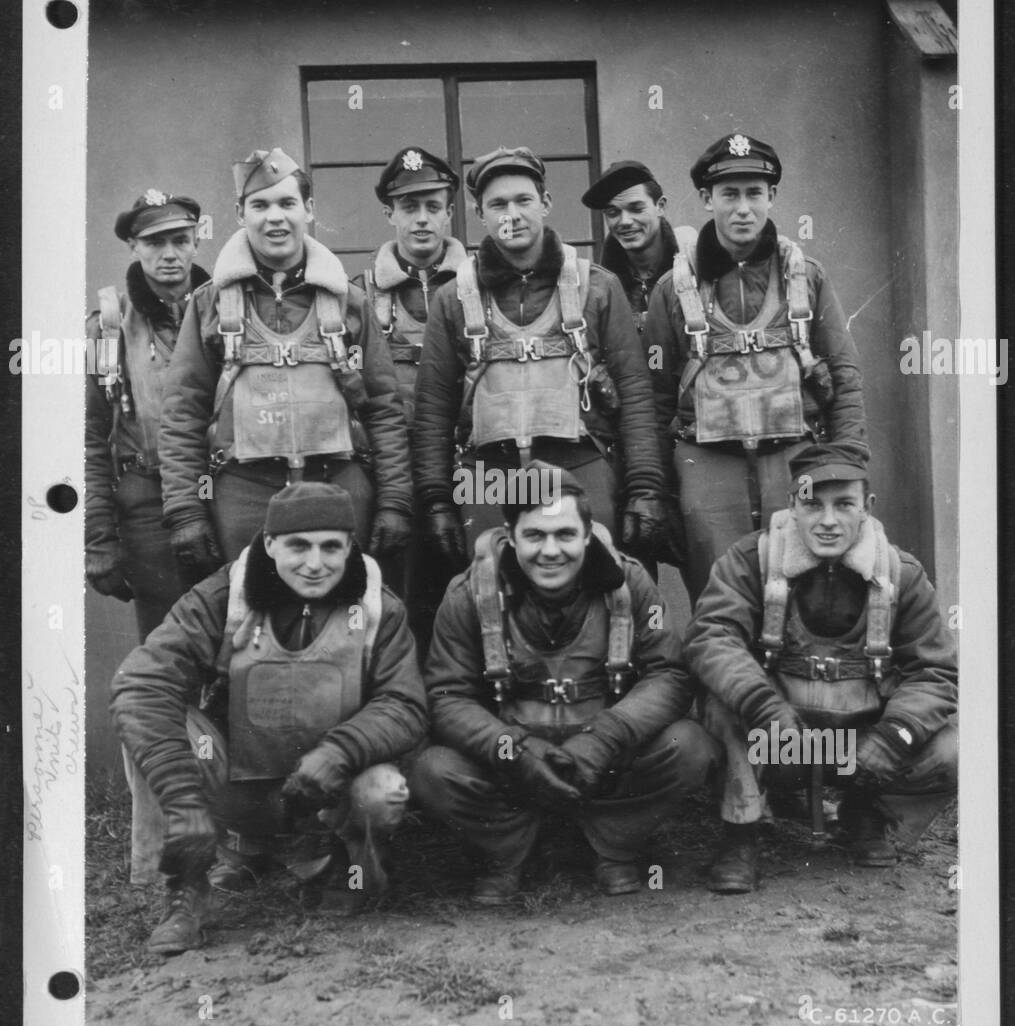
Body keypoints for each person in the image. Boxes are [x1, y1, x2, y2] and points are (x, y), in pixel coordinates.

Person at [110, 482, 428, 954]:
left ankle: (345, 861)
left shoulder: (380, 607)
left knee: (382, 789)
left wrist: (340, 751)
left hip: (325, 787)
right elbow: (140, 682)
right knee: (149, 722)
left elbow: (404, 704)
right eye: (299, 546)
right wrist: (181, 800)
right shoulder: (221, 597)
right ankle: (187, 889)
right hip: (240, 778)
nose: (315, 564)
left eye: (331, 547)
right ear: (270, 543)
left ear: (350, 547)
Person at [413, 465, 719, 905]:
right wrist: (513, 749)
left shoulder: (631, 584)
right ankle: (508, 850)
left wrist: (606, 737)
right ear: (511, 535)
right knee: (434, 771)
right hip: (512, 764)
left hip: (607, 760)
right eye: (535, 535)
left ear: (588, 535)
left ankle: (613, 843)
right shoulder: (467, 595)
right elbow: (446, 695)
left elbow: (668, 673)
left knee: (689, 746)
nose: (550, 551)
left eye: (565, 535)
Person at [683, 443, 957, 893]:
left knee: (949, 750)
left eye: (844, 504)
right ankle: (741, 832)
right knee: (718, 703)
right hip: (774, 739)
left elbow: (935, 671)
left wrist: (892, 739)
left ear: (866, 508)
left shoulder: (900, 572)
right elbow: (710, 636)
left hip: (859, 744)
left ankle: (866, 809)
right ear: (792, 504)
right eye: (812, 503)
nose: (827, 520)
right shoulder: (751, 560)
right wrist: (764, 707)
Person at [158, 147, 412, 574]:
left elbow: (384, 408)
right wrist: (186, 511)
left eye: (287, 203)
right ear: (241, 214)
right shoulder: (209, 306)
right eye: (259, 205)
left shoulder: (350, 303)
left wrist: (395, 501)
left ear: (309, 210)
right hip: (245, 492)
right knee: (246, 615)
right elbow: (182, 414)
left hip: (339, 483)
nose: (274, 217)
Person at [413, 146, 668, 570]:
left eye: (523, 200)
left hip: (583, 460)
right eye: (497, 204)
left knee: (597, 583)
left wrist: (644, 488)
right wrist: (438, 501)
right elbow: (433, 410)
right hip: (488, 475)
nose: (511, 214)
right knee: (491, 585)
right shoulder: (453, 298)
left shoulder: (598, 287)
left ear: (546, 204)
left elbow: (637, 395)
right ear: (480, 214)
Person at [643, 132, 868, 603]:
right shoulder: (673, 289)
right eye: (729, 194)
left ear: (772, 197)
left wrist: (848, 468)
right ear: (707, 199)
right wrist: (659, 489)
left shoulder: (807, 278)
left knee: (803, 593)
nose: (742, 208)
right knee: (718, 598)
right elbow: (655, 398)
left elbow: (844, 379)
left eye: (753, 193)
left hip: (794, 458)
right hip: (705, 463)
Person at [352, 146, 468, 652]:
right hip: (389, 476)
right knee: (392, 604)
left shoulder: (480, 287)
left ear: (449, 211)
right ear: (390, 214)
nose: (422, 220)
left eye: (433, 206)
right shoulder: (356, 296)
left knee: (469, 599)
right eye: (409, 207)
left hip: (467, 472)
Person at [86, 190, 208, 639]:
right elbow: (91, 435)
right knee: (168, 649)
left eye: (180, 239)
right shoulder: (106, 330)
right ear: (134, 248)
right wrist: (99, 539)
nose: (170, 254)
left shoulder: (228, 312)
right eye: (155, 243)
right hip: (149, 510)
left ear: (198, 240)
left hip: (225, 496)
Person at [581, 160, 677, 334]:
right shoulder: (597, 287)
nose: (624, 221)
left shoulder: (691, 273)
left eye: (636, 209)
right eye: (613, 213)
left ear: (660, 206)